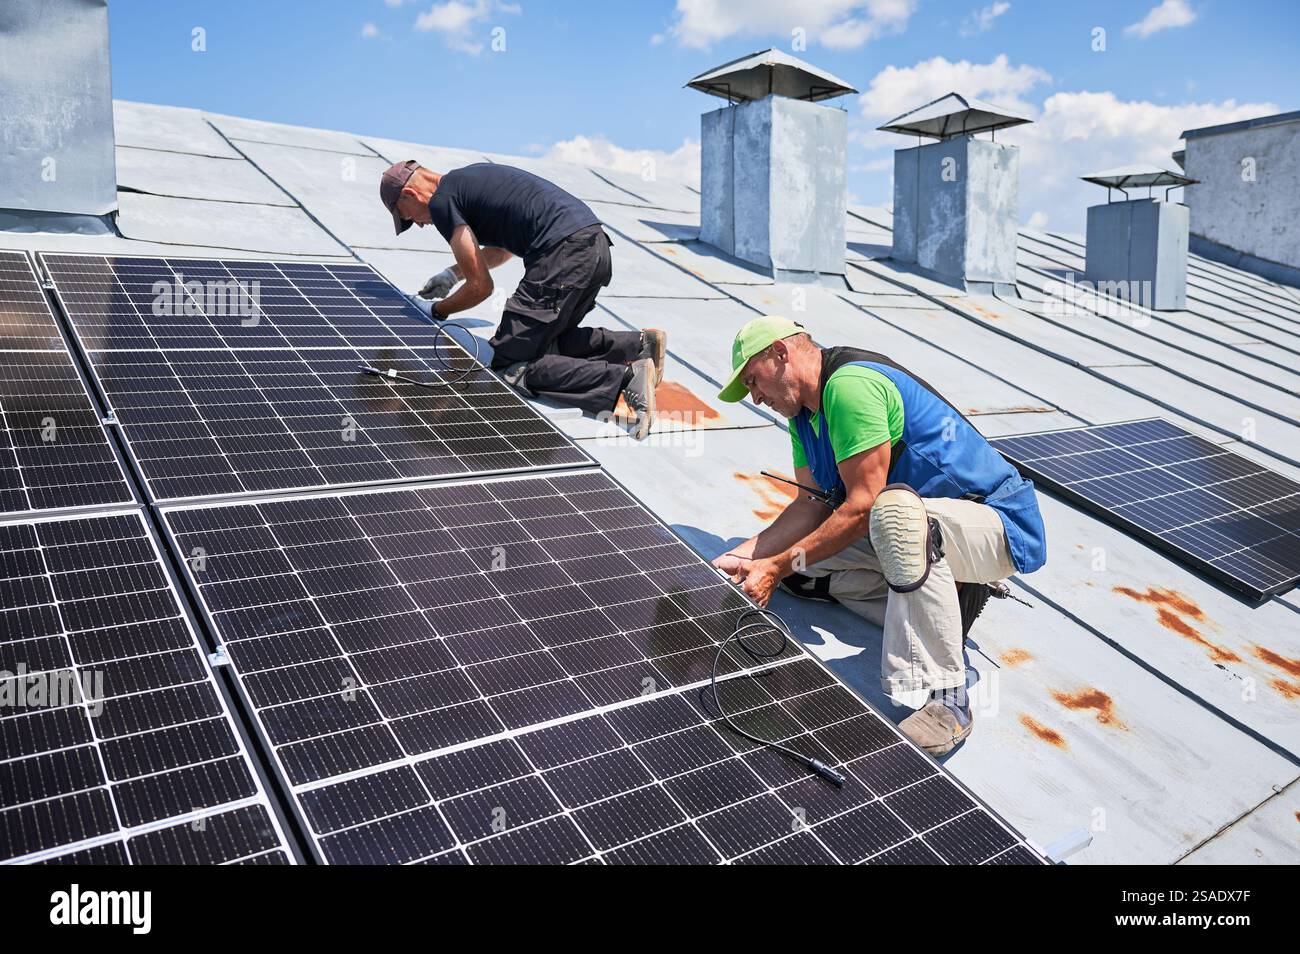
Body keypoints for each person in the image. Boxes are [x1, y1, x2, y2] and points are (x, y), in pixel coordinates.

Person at [713, 316, 1048, 755]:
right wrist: (745, 556)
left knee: (889, 514)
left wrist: (774, 566)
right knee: (798, 570)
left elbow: (864, 505)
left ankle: (949, 699)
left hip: (992, 525)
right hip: (913, 529)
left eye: (754, 381)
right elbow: (810, 504)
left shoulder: (850, 387)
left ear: (781, 353)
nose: (756, 397)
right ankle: (950, 598)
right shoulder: (803, 418)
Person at [379, 159, 666, 438]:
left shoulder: (442, 202)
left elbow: (481, 287)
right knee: (545, 344)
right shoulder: (468, 179)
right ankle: (639, 345)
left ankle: (628, 380)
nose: (416, 224)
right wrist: (452, 275)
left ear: (410, 193)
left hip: (561, 256)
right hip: (594, 247)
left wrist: (437, 310)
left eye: (406, 216)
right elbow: (501, 251)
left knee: (508, 364)